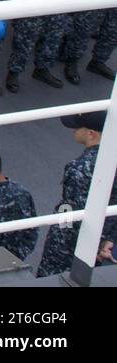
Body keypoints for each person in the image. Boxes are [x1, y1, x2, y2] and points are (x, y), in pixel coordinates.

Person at [36, 112, 117, 277]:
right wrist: (108, 239)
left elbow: (72, 209)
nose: (73, 130)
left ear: (91, 133)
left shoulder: (80, 167)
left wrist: (61, 234)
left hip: (70, 245)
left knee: (55, 278)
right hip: (106, 237)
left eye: (77, 126)